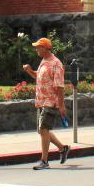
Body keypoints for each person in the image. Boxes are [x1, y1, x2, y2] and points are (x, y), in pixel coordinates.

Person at [22, 37, 71, 170]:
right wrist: (30, 71)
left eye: (38, 47)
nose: (36, 49)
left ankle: (44, 161)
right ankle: (63, 148)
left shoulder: (56, 64)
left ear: (45, 48)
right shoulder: (44, 61)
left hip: (50, 101)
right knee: (42, 130)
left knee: (43, 129)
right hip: (42, 101)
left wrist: (61, 105)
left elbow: (60, 86)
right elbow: (39, 76)